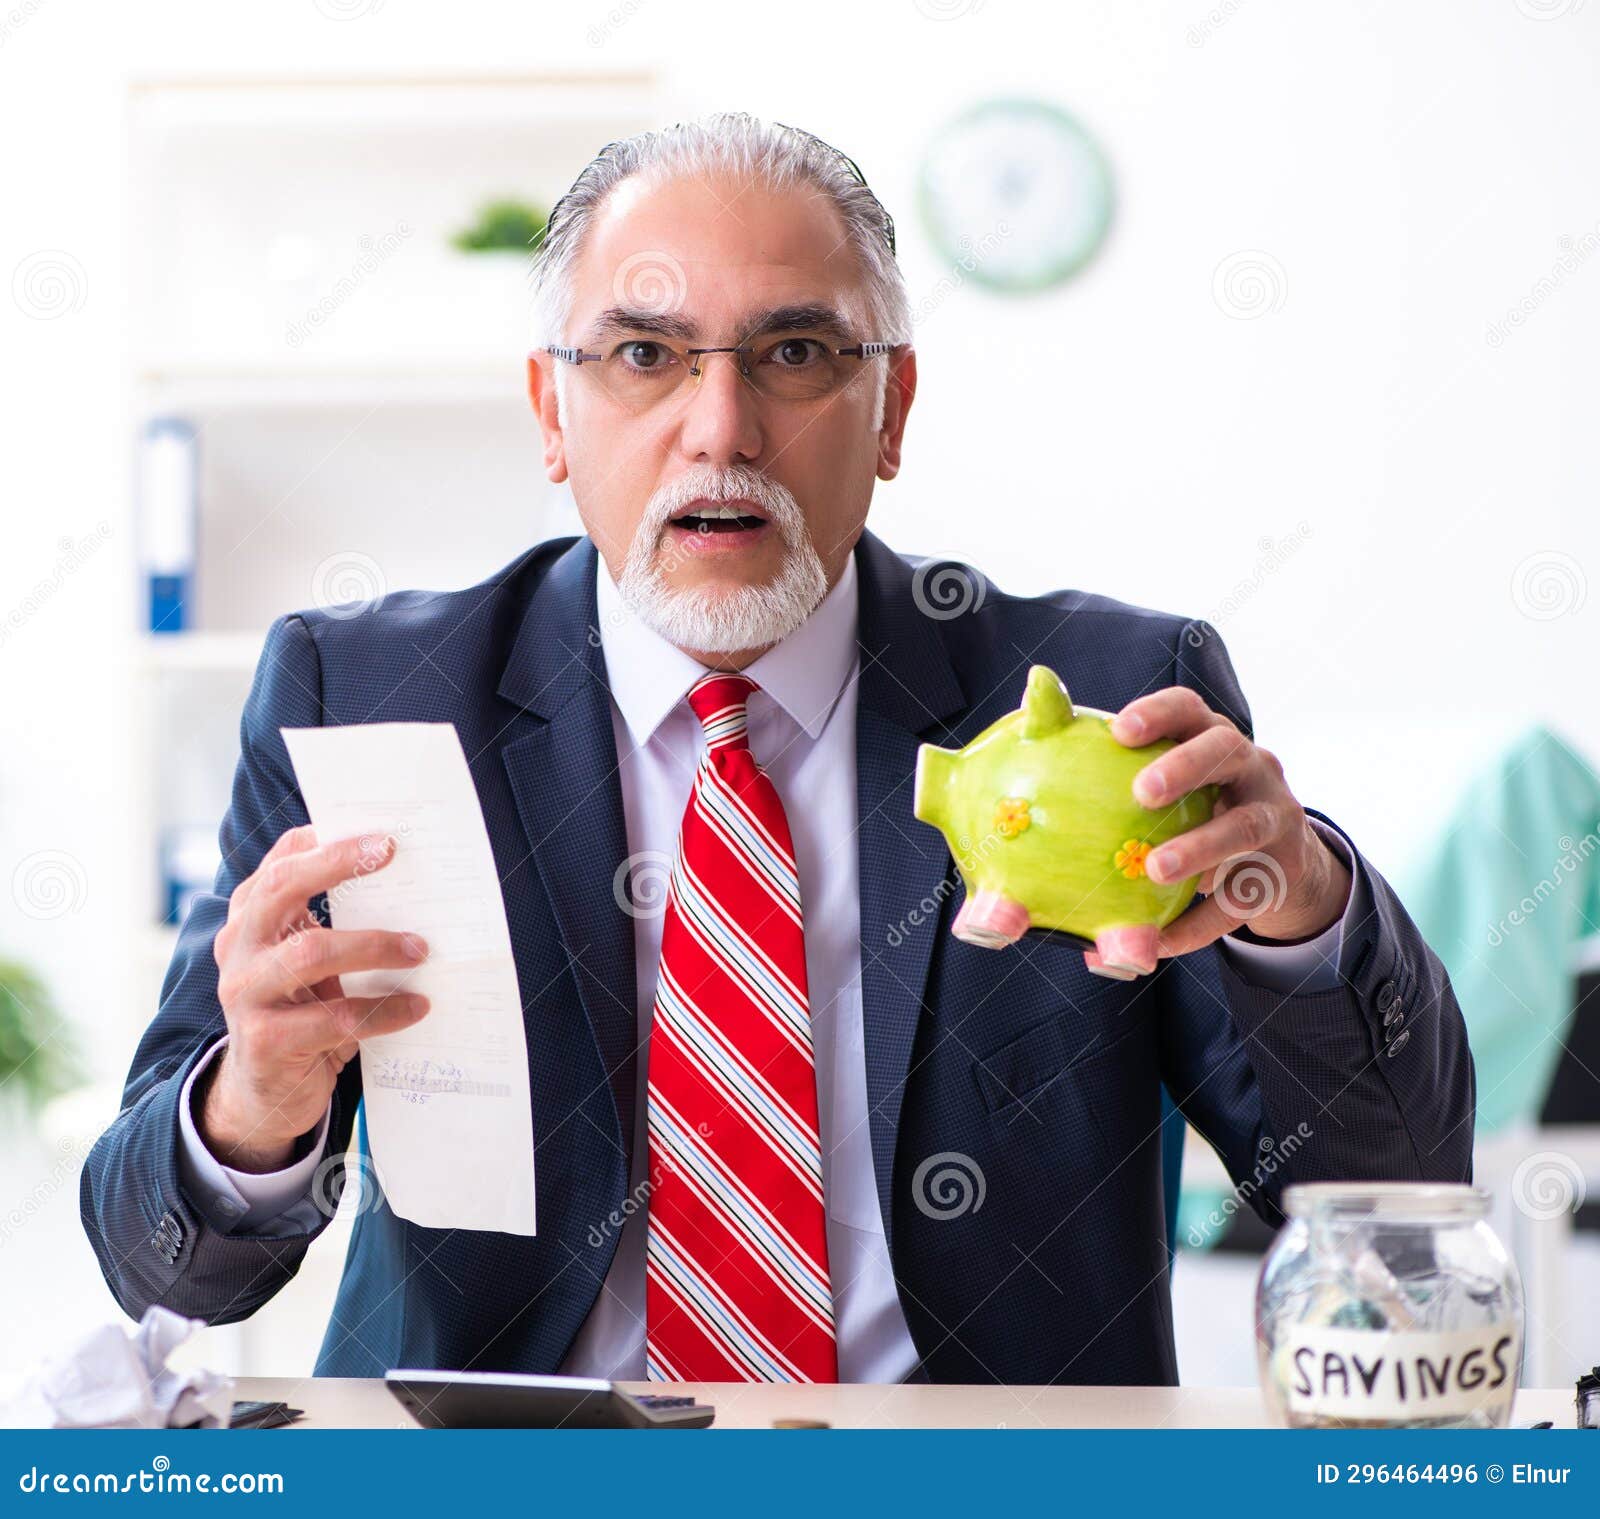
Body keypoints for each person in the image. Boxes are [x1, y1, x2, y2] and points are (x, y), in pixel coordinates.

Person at [81, 113, 1473, 1386]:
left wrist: (1298, 908)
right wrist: (254, 1104)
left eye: (797, 355)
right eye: (642, 357)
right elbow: (168, 1270)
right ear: (550, 412)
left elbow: (1401, 1192)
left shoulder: (1111, 702)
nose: (721, 428)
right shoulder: (372, 698)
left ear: (895, 412)